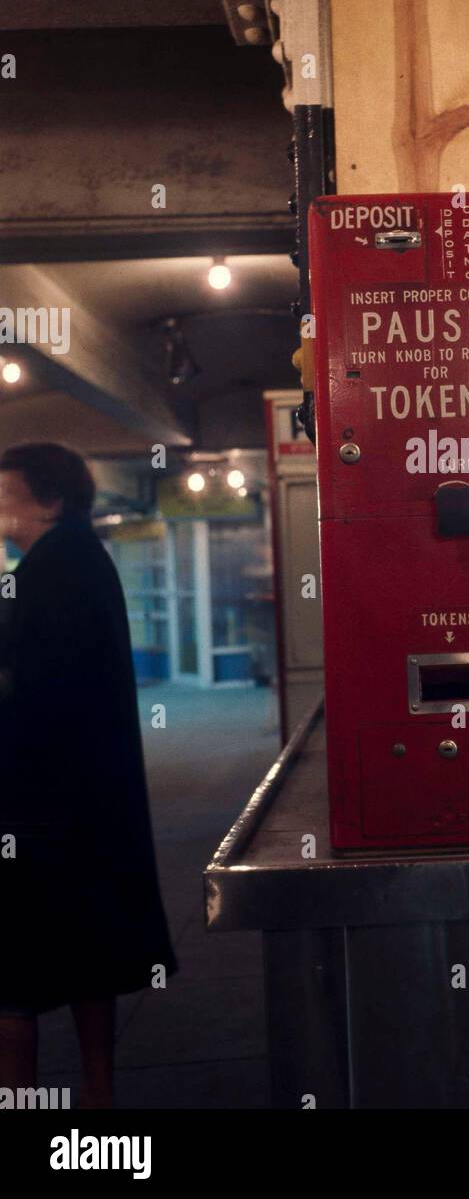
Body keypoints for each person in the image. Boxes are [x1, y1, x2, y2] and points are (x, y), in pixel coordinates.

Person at [0, 443, 177, 1107]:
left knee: (12, 978)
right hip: (85, 804)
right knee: (86, 961)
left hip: (36, 809)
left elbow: (34, 692)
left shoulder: (52, 570)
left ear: (50, 500)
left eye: (7, 496)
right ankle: (98, 1092)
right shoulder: (77, 560)